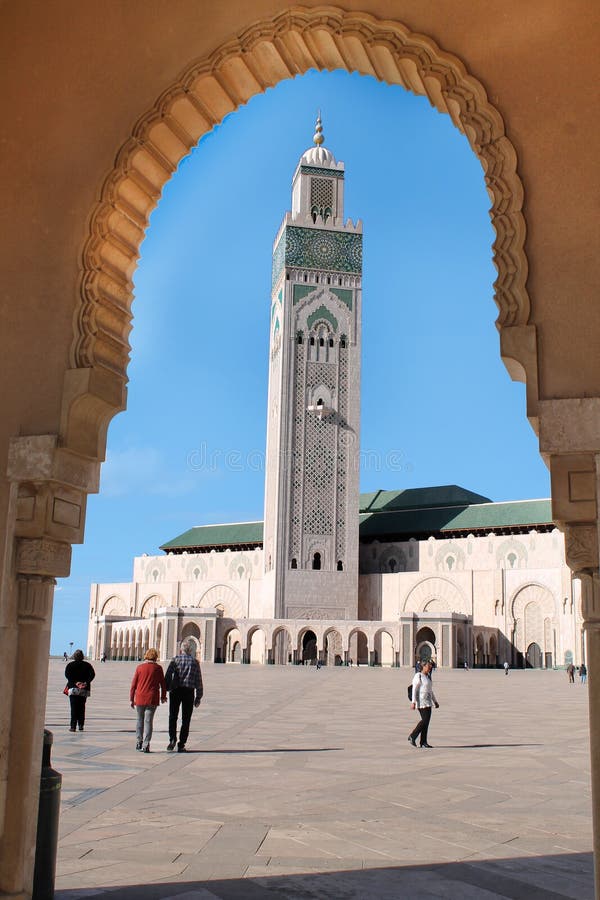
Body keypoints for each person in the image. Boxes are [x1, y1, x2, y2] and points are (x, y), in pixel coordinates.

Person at [165, 640, 203, 752]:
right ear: (191, 650)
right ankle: (181, 744)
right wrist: (198, 697)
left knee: (173, 716)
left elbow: (167, 677)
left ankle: (172, 739)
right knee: (186, 719)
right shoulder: (195, 662)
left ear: (181, 649)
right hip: (188, 692)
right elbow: (198, 680)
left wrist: (165, 690)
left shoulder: (175, 660)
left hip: (175, 691)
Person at [129, 648, 166, 752]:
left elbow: (133, 685)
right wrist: (163, 697)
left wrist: (131, 699)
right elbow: (163, 684)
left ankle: (138, 741)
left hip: (140, 698)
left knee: (139, 720)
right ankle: (146, 744)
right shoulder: (158, 668)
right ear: (155, 657)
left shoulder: (140, 668)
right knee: (148, 721)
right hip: (152, 699)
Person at [408, 660, 439, 749]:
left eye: (430, 666)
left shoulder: (427, 677)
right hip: (421, 702)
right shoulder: (418, 676)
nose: (430, 667)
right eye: (428, 666)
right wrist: (413, 702)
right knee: (424, 720)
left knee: (426, 722)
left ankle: (423, 742)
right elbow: (414, 689)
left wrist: (435, 701)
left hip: (428, 702)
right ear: (423, 666)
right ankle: (413, 736)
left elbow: (430, 691)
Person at [65, 650, 95, 732]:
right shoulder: (88, 665)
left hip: (73, 689)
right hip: (84, 690)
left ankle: (73, 726)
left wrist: (76, 682)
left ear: (74, 656)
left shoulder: (70, 665)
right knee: (82, 707)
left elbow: (68, 675)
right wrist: (85, 682)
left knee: (74, 707)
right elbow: (92, 675)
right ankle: (81, 725)